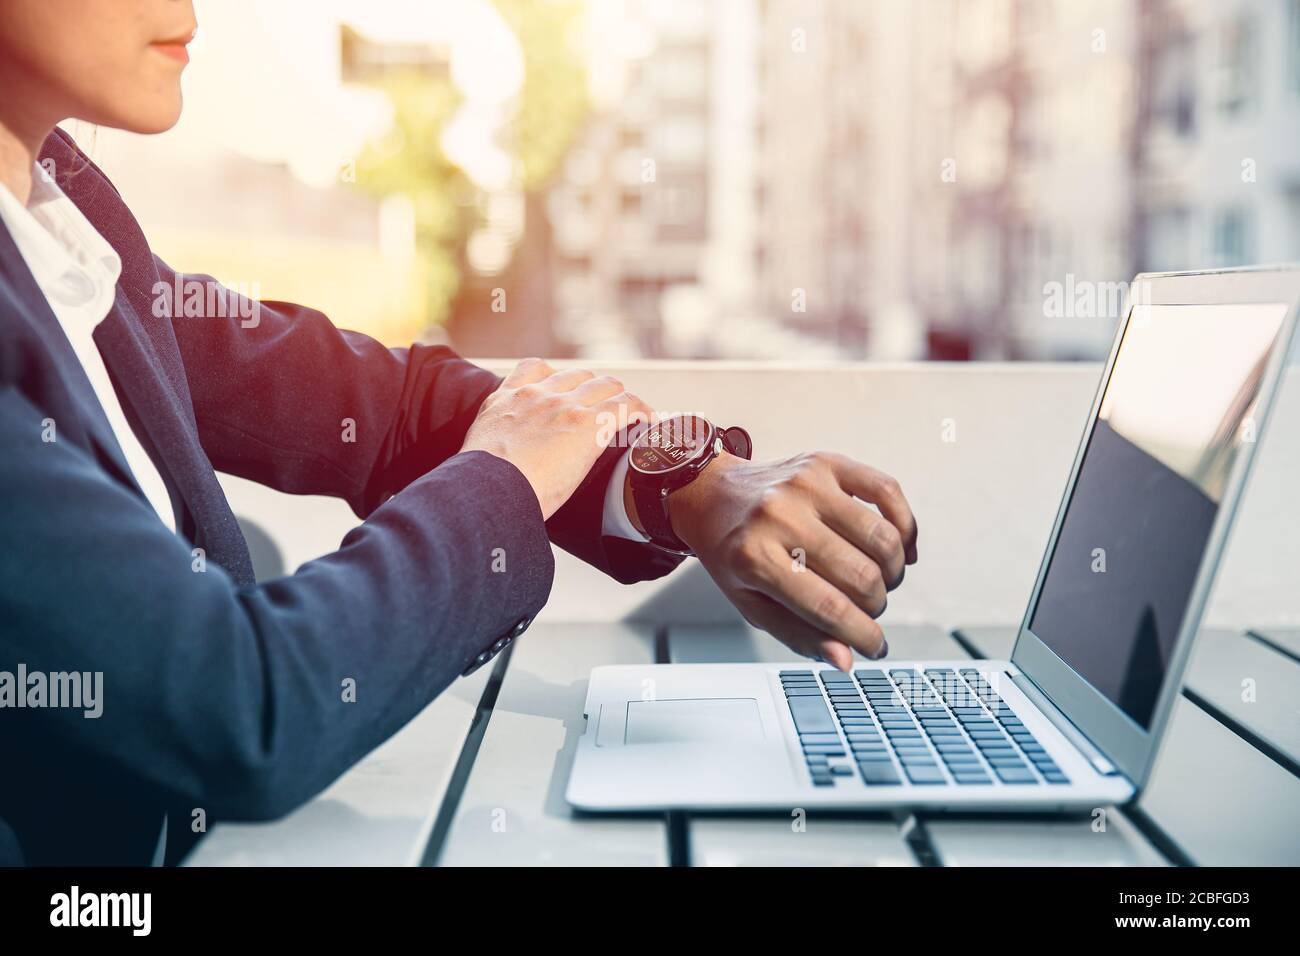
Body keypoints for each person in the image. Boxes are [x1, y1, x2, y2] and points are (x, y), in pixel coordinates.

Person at [0, 0, 918, 865]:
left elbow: (376, 407)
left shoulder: (66, 214)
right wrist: (503, 479)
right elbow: (238, 709)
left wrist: (682, 484)